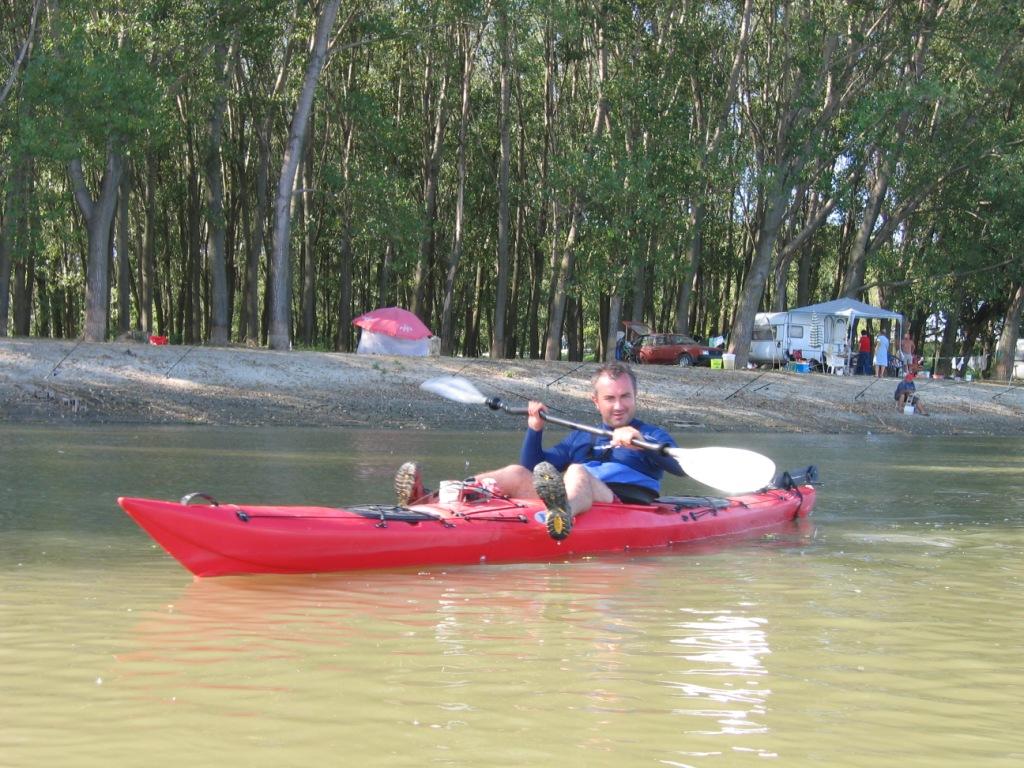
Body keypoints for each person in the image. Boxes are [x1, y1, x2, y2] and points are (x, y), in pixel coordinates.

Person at [394, 362, 684, 540]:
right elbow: (534, 468)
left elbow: (679, 468)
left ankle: (562, 516)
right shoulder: (581, 438)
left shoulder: (652, 435)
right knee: (515, 473)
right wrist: (535, 428)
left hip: (619, 502)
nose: (619, 405)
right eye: (610, 398)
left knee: (577, 470)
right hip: (576, 492)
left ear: (635, 398)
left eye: (625, 397)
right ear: (596, 401)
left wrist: (639, 439)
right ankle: (432, 499)